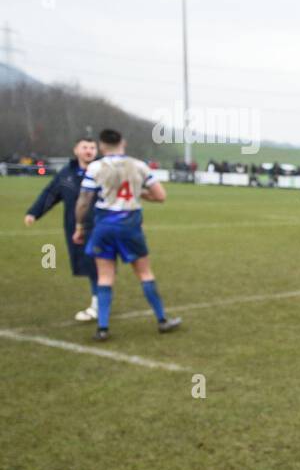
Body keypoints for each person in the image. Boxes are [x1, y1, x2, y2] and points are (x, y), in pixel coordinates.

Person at [72, 129, 182, 341]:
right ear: (124, 142)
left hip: (104, 226)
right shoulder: (139, 165)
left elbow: (84, 200)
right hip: (130, 225)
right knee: (144, 274)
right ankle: (162, 320)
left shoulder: (96, 166)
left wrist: (78, 226)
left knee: (105, 277)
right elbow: (160, 196)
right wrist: (138, 192)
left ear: (102, 146)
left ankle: (102, 328)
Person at [24, 136, 100, 320]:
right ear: (76, 150)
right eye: (85, 147)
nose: (89, 150)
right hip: (76, 228)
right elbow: (51, 193)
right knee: (88, 264)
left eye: (92, 147)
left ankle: (98, 305)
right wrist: (34, 212)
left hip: (100, 226)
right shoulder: (67, 174)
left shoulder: (103, 171)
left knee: (96, 265)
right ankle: (99, 302)